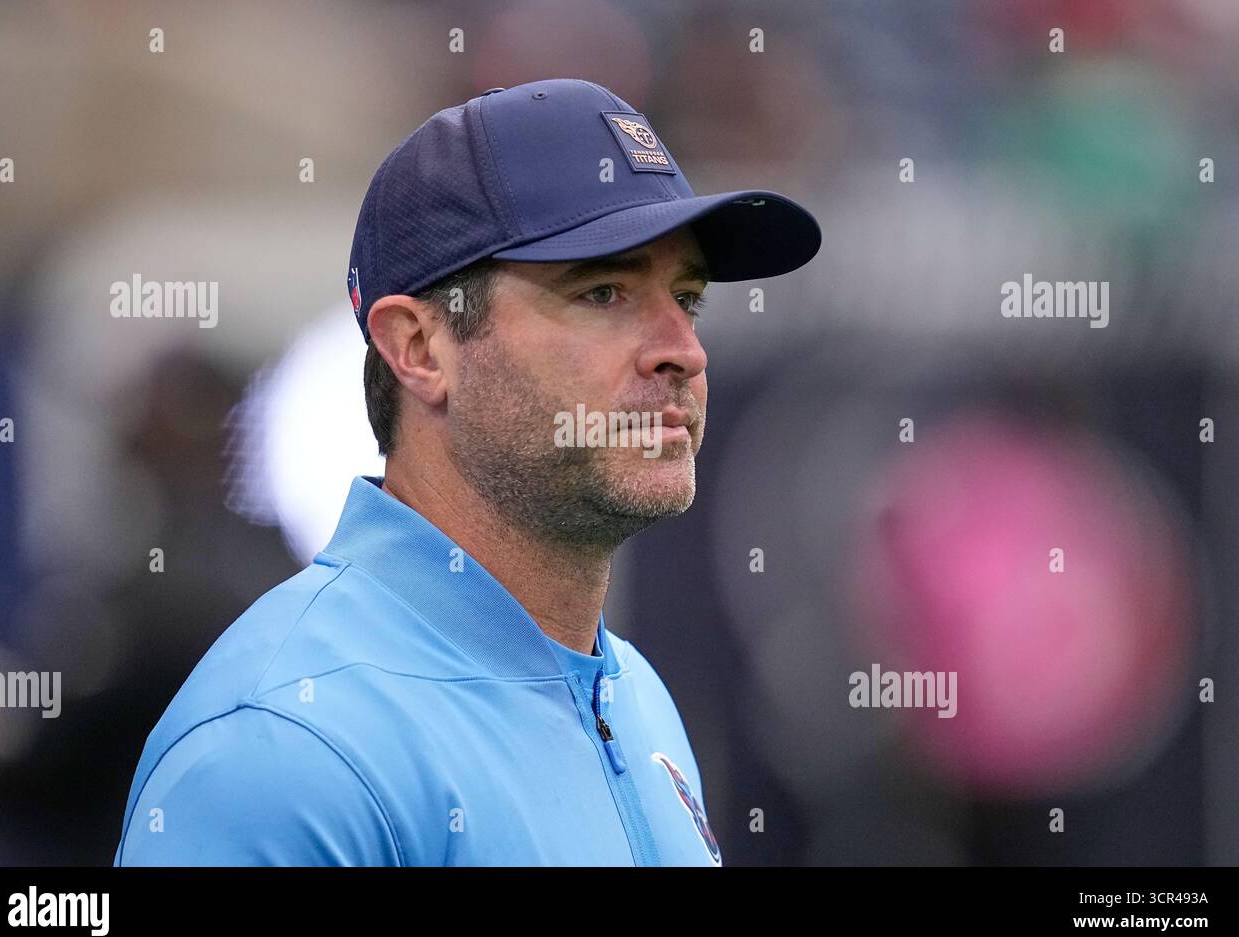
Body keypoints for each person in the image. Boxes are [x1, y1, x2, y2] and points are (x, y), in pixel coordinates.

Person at [114, 78, 820, 865]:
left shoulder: (634, 693)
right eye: (604, 291)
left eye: (687, 301)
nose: (682, 352)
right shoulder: (284, 746)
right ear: (419, 349)